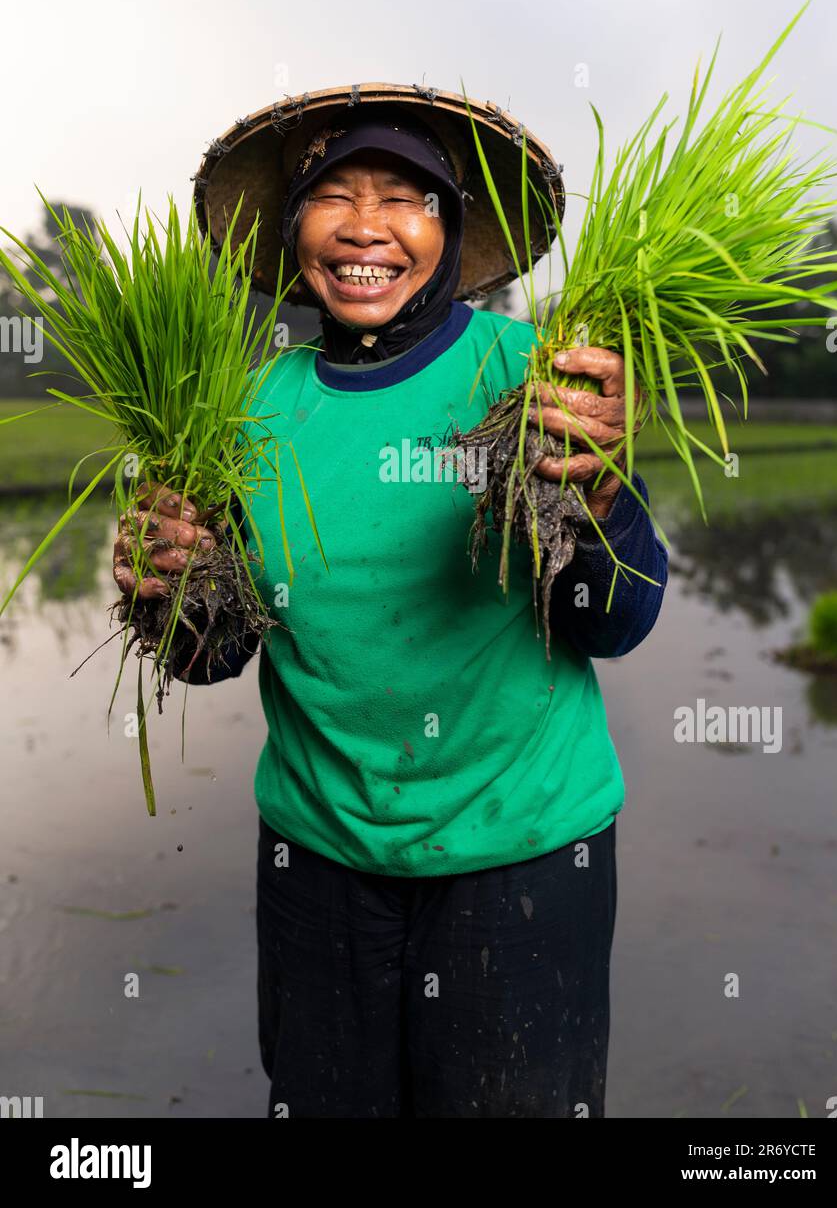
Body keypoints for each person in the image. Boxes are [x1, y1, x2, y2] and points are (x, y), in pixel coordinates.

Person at [112, 85, 668, 1118]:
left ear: (448, 232)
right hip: (319, 863)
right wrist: (169, 587)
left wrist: (596, 495)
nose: (365, 226)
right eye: (333, 195)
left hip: (524, 857)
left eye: (405, 197)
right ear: (293, 232)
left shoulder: (531, 376)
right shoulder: (241, 412)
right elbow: (213, 653)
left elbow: (616, 621)